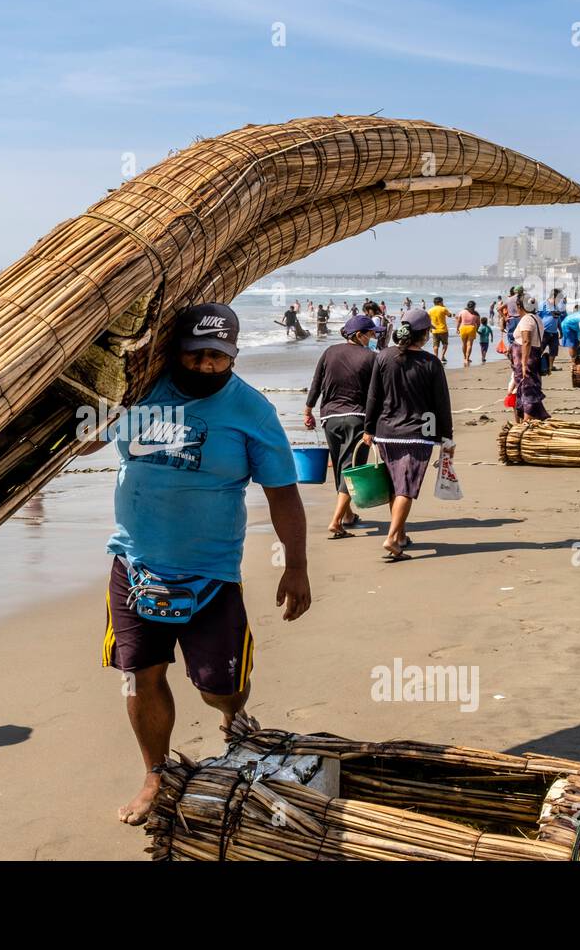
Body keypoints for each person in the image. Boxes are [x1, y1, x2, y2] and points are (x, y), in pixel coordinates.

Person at [97, 303, 310, 824]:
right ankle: (156, 773)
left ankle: (233, 716)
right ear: (177, 353)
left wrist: (297, 565)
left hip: (211, 576)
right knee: (140, 677)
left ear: (233, 355)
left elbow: (282, 491)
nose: (207, 366)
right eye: (196, 356)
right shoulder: (140, 395)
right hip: (135, 565)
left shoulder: (251, 411)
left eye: (219, 356)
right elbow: (84, 439)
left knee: (221, 687)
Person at [362, 308, 453, 562]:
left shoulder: (383, 357)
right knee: (406, 488)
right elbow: (441, 404)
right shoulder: (430, 363)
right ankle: (392, 538)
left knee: (395, 485)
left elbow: (373, 396)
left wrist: (368, 428)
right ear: (423, 335)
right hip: (417, 434)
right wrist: (447, 437)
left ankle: (401, 535)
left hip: (386, 432)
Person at [305, 313, 378, 539]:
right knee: (352, 469)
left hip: (330, 419)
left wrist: (308, 410)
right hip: (357, 417)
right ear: (359, 335)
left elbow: (316, 383)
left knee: (340, 466)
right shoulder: (371, 358)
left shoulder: (329, 352)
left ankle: (347, 515)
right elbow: (376, 394)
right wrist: (375, 424)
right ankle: (336, 522)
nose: (373, 337)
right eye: (371, 333)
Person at [512, 295, 551, 421]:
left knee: (527, 390)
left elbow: (526, 341)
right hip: (532, 357)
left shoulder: (527, 319)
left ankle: (527, 421)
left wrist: (523, 363)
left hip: (527, 359)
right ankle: (531, 419)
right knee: (528, 389)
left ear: (520, 306)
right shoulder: (536, 318)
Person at [456, 301, 479, 367]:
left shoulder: (462, 312)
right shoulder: (476, 314)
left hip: (463, 328)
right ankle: (467, 358)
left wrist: (457, 328)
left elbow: (459, 320)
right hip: (471, 328)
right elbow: (478, 323)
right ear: (474, 306)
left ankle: (464, 357)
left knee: (464, 344)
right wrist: (476, 330)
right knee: (469, 345)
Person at [428, 296, 450, 363]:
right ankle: (442, 357)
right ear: (440, 302)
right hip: (443, 330)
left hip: (434, 330)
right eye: (442, 302)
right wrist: (444, 306)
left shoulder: (430, 310)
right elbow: (449, 315)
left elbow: (428, 320)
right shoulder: (443, 309)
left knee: (435, 345)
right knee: (445, 344)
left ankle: (436, 357)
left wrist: (430, 328)